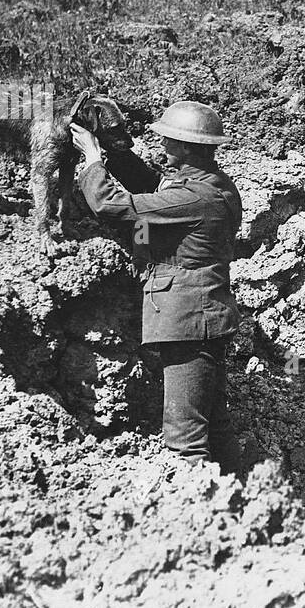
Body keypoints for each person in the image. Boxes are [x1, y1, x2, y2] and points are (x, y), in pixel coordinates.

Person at [71, 100, 242, 467]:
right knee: (213, 424)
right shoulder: (211, 185)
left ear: (186, 147)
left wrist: (91, 159)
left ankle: (197, 512)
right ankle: (248, 504)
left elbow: (114, 206)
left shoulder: (195, 196)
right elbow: (155, 191)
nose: (162, 147)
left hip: (187, 322)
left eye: (168, 142)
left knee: (185, 438)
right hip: (203, 317)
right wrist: (115, 155)